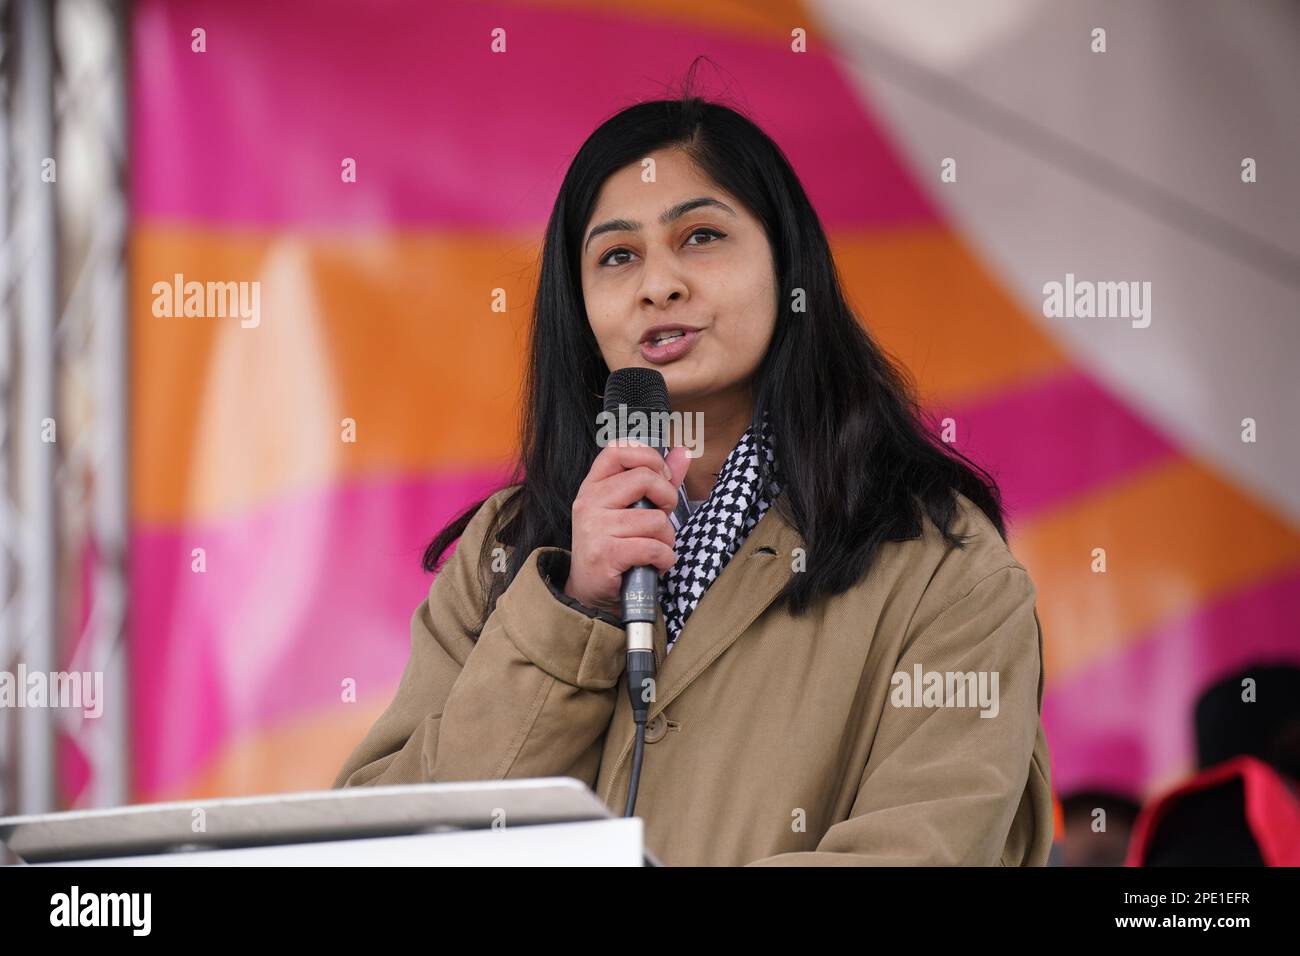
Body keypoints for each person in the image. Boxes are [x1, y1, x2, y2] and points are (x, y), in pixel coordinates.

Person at [332, 84, 1054, 867]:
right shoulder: (508, 551)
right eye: (617, 256)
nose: (659, 285)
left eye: (702, 237)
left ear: (787, 265)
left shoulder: (941, 564)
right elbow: (383, 850)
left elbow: (922, 851)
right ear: (579, 308)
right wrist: (573, 611)